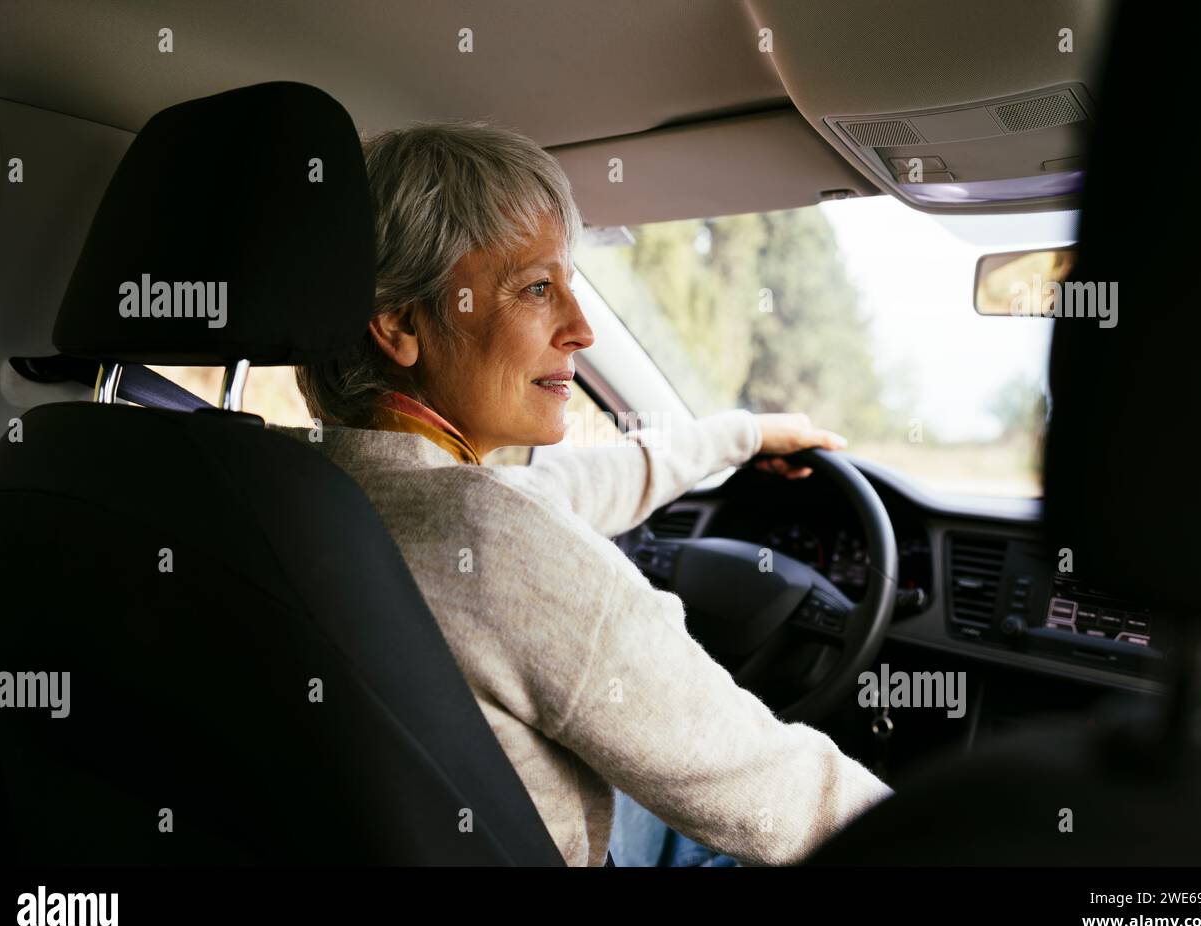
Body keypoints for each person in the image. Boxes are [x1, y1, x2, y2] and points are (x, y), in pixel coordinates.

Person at [276, 121, 892, 866]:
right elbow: (770, 786)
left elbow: (563, 489)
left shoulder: (287, 478)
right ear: (402, 324)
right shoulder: (498, 538)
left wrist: (740, 437)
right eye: (538, 288)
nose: (583, 329)